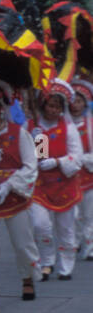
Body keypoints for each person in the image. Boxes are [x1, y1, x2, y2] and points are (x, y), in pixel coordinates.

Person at [0, 77, 40, 301]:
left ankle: (27, 277)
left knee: (24, 243)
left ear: (1, 108)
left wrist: (10, 184)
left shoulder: (22, 131)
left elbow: (33, 163)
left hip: (16, 195)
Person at [27, 79, 85, 281]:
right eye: (50, 105)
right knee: (40, 225)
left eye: (57, 107)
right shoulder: (33, 126)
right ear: (42, 105)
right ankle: (47, 261)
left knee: (66, 229)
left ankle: (66, 265)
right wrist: (33, 139)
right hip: (40, 186)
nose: (52, 110)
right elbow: (35, 156)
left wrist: (58, 162)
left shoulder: (68, 128)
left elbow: (77, 158)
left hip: (64, 186)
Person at [70, 79, 93, 260]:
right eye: (73, 101)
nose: (76, 105)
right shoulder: (58, 125)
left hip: (88, 176)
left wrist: (83, 159)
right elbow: (41, 154)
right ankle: (73, 242)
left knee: (89, 215)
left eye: (79, 101)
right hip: (65, 178)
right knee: (72, 216)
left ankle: (90, 247)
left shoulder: (90, 124)